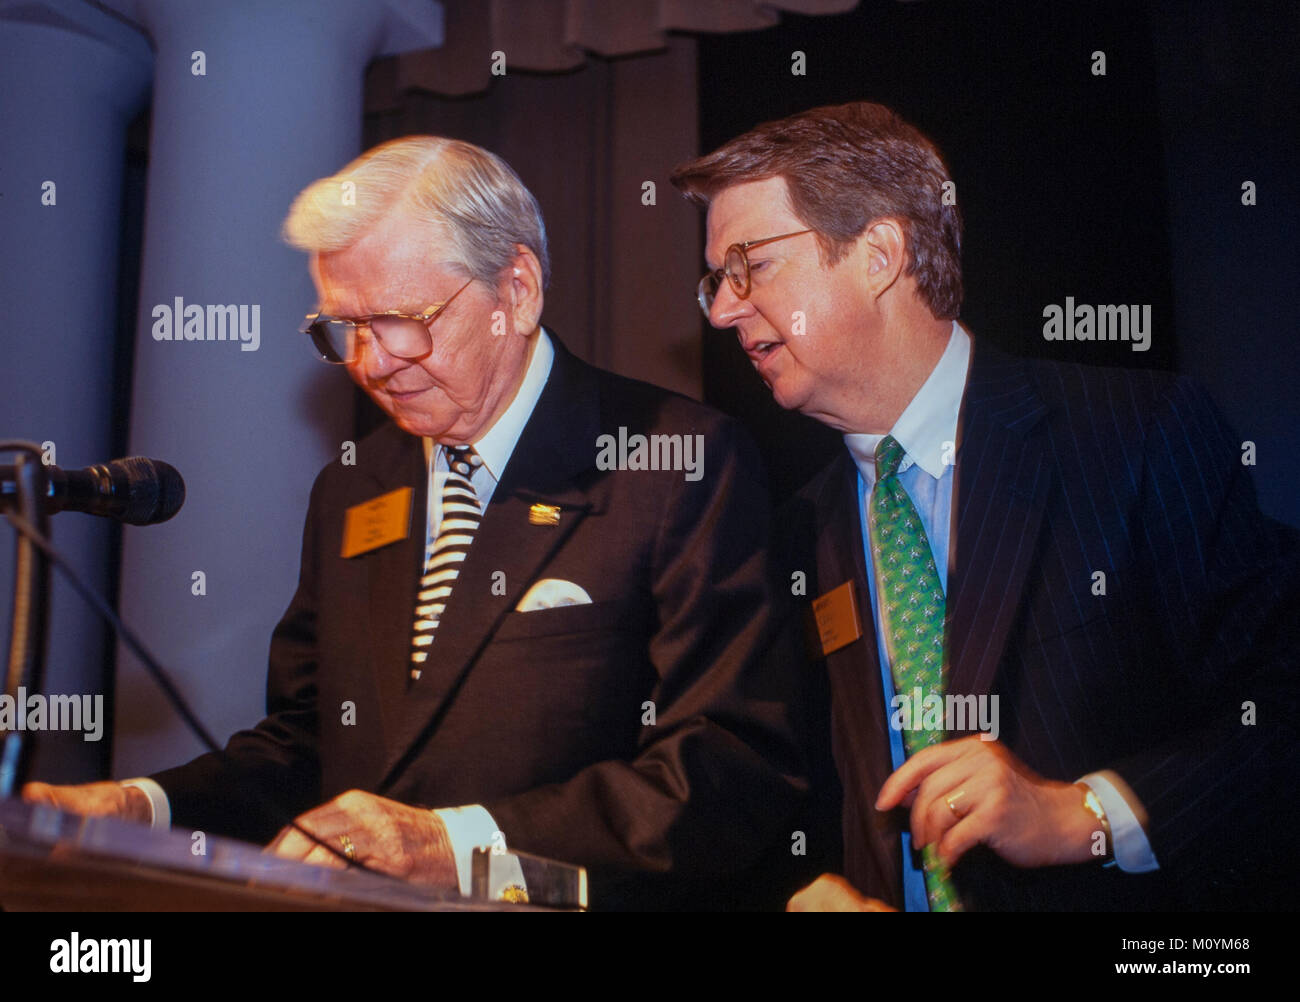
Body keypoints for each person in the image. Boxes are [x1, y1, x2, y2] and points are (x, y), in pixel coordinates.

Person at [24, 136, 807, 910]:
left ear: (518, 292)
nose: (370, 361)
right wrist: (143, 807)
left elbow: (726, 770)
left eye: (398, 319)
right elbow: (309, 745)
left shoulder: (672, 462)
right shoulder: (356, 486)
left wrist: (455, 846)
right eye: (344, 328)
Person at [670, 101, 1299, 911]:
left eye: (749, 265)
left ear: (880, 253)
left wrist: (1086, 814)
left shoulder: (1132, 435)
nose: (723, 308)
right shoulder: (797, 532)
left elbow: (1279, 714)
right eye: (717, 280)